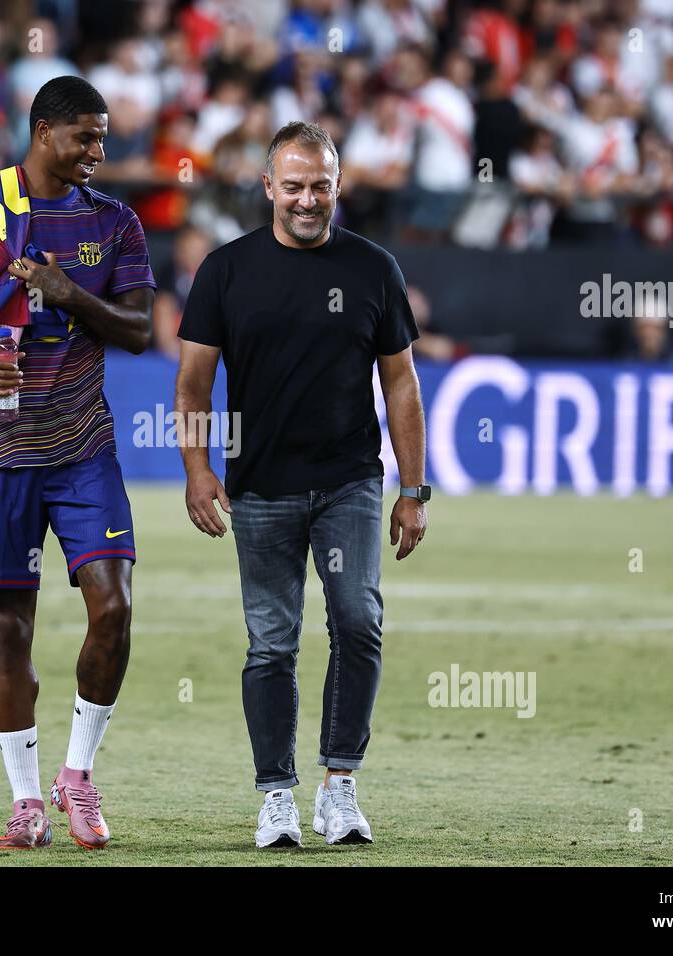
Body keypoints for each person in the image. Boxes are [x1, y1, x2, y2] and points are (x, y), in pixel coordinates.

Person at [0, 77, 155, 850]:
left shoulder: (115, 223)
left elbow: (141, 330)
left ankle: (77, 776)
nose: (98, 151)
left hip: (83, 446)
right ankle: (24, 802)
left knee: (113, 607)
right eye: (85, 136)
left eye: (103, 137)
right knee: (9, 629)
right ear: (44, 131)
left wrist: (68, 292)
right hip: (0, 449)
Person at [174, 121, 428, 849]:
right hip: (258, 488)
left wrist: (414, 488)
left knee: (358, 620)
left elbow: (401, 384)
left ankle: (339, 787)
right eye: (294, 186)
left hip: (349, 481)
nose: (308, 199)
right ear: (267, 187)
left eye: (320, 185)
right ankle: (276, 795)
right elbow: (192, 384)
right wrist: (197, 470)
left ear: (338, 185)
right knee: (271, 644)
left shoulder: (375, 268)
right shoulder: (225, 271)